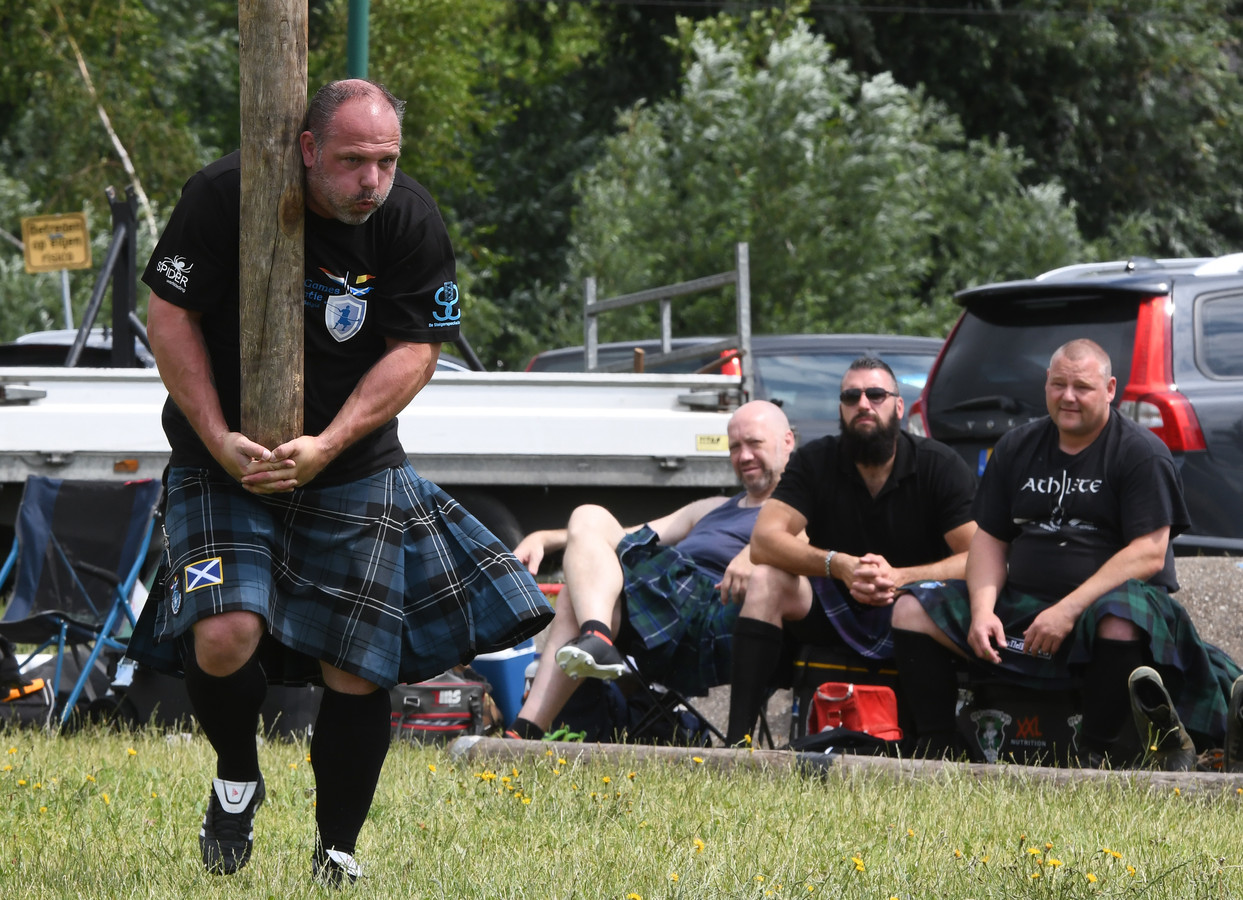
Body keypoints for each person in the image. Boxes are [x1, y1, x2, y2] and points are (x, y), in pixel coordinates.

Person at [133, 79, 552, 883]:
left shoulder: (408, 219)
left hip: (348, 466)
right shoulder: (224, 197)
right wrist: (218, 435)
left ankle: (336, 850)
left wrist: (327, 443)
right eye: (353, 161)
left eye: (386, 161)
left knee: (359, 665)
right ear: (306, 148)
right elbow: (170, 315)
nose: (372, 181)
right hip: (223, 460)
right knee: (223, 635)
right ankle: (236, 777)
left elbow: (415, 349)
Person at [891, 339, 1241, 765]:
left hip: (1108, 608)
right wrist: (982, 611)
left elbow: (1149, 553)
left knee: (1120, 615)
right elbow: (989, 539)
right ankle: (937, 745)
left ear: (1110, 389)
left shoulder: (1140, 453)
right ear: (1046, 385)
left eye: (1082, 387)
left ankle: (1096, 753)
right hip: (1024, 603)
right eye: (1059, 384)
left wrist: (1068, 610)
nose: (1068, 397)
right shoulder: (1017, 447)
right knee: (911, 608)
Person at [504, 400, 795, 741]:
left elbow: (804, 546)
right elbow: (620, 535)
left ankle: (587, 649)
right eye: (735, 447)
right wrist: (544, 538)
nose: (744, 456)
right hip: (665, 612)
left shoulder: (795, 513)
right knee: (586, 535)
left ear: (787, 441)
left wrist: (754, 551)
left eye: (754, 443)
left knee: (584, 551)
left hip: (708, 615)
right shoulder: (713, 507)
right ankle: (532, 722)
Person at [724, 356, 978, 747]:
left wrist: (902, 578)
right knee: (766, 579)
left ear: (897, 406)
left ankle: (933, 749)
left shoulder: (938, 465)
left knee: (913, 606)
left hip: (913, 606)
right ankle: (736, 745)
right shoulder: (815, 461)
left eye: (875, 394)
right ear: (841, 409)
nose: (863, 403)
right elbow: (764, 541)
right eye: (851, 395)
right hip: (833, 601)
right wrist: (837, 565)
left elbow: (979, 557)